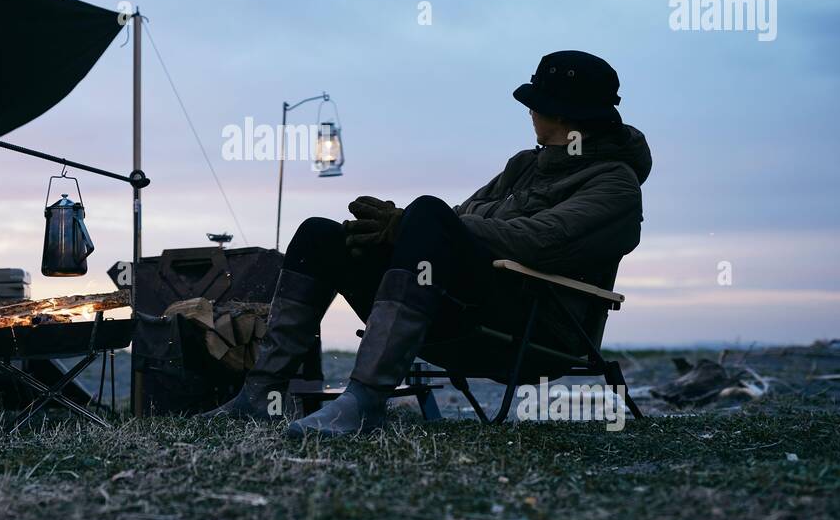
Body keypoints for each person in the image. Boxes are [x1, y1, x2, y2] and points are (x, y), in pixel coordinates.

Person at [205, 50, 653, 437]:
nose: (529, 112)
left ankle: (365, 400)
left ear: (563, 115)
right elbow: (458, 220)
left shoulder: (615, 184)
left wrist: (418, 224)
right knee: (322, 235)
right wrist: (401, 230)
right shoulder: (524, 165)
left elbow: (537, 241)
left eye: (537, 104)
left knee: (427, 211)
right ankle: (260, 394)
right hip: (462, 308)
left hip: (531, 326)